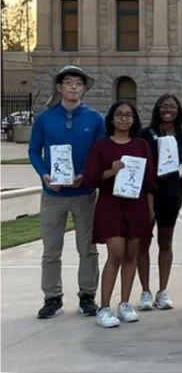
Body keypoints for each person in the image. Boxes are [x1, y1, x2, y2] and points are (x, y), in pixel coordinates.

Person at [28, 65, 104, 319]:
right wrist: (45, 174)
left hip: (83, 193)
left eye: (78, 83)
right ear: (59, 87)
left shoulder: (94, 118)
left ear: (84, 88)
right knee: (51, 249)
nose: (73, 87)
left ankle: (87, 295)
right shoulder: (45, 118)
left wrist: (85, 175)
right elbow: (34, 150)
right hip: (53, 195)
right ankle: (52, 296)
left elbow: (100, 153)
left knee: (88, 248)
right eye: (68, 82)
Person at [83, 101, 158, 328]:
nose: (124, 119)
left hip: (136, 205)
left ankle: (125, 303)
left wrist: (150, 208)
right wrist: (112, 171)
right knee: (115, 253)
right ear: (112, 119)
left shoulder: (141, 145)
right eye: (119, 115)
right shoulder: (101, 146)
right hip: (111, 204)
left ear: (134, 120)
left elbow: (149, 180)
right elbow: (91, 179)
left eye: (128, 115)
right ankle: (104, 307)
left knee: (131, 255)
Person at [137, 94, 182, 311]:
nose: (167, 110)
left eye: (172, 106)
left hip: (170, 194)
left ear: (178, 110)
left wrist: (181, 193)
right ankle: (145, 291)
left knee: (165, 242)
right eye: (163, 106)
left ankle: (163, 289)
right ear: (157, 109)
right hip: (146, 194)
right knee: (143, 242)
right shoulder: (146, 135)